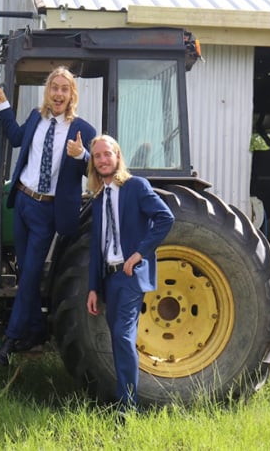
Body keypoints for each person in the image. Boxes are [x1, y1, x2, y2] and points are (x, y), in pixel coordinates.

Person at [0, 66, 97, 367]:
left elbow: (99, 168)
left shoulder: (83, 131)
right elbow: (15, 137)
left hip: (47, 211)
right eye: (54, 88)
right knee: (26, 271)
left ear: (72, 95)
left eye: (65, 89)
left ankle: (10, 340)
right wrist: (3, 105)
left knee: (32, 274)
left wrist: (82, 155)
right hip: (23, 201)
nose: (59, 93)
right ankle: (35, 333)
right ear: (47, 92)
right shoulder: (37, 119)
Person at [85, 134, 174, 411]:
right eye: (97, 156)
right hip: (109, 277)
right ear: (93, 163)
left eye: (107, 154)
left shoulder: (136, 186)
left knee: (123, 337)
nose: (102, 160)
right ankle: (124, 399)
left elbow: (165, 217)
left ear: (117, 156)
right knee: (118, 337)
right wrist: (92, 287)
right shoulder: (99, 198)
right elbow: (95, 247)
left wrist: (139, 254)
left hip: (129, 275)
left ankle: (127, 407)